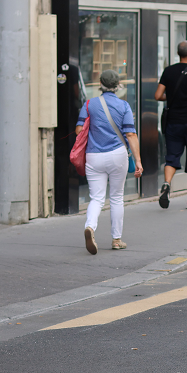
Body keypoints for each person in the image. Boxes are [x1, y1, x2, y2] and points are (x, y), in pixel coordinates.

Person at [76, 70, 143, 254]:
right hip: (117, 155)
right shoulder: (123, 106)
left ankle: (90, 227)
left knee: (96, 198)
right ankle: (116, 239)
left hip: (93, 156)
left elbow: (79, 130)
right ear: (117, 85)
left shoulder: (89, 104)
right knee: (116, 197)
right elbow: (130, 134)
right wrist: (138, 160)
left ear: (100, 84)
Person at [155, 41, 187, 209]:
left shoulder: (168, 71)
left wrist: (171, 98)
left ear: (179, 54)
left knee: (172, 156)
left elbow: (158, 95)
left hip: (173, 123)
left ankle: (167, 183)